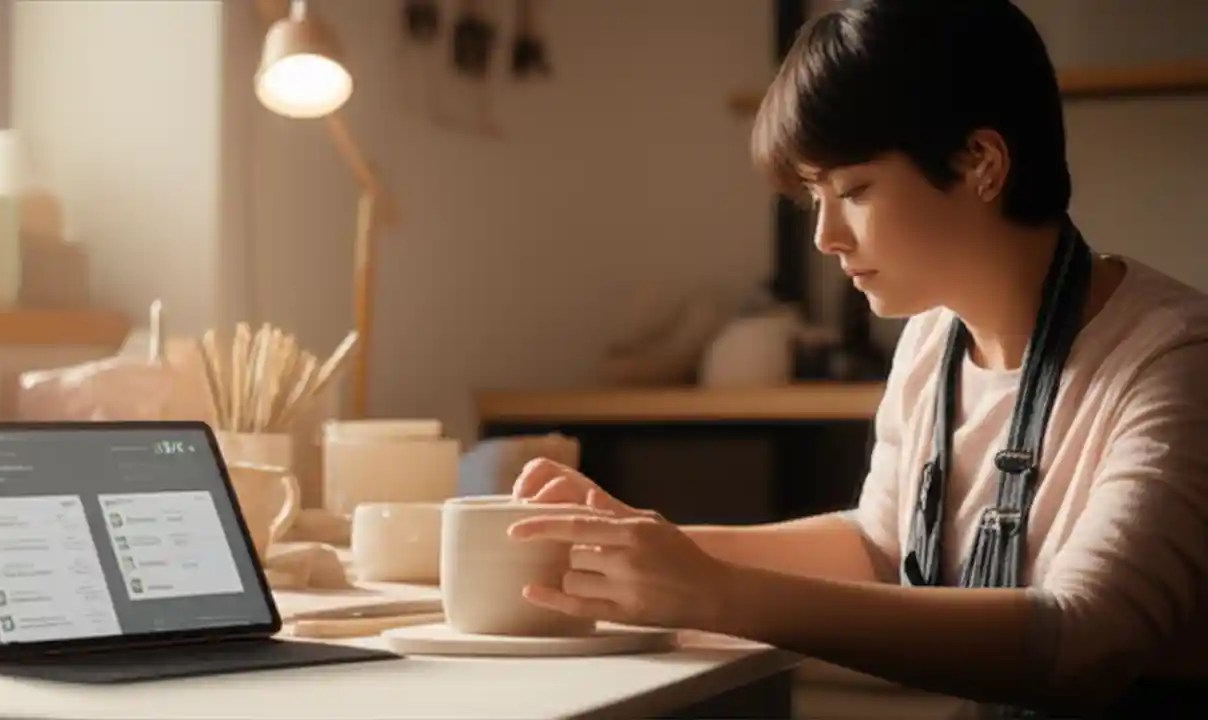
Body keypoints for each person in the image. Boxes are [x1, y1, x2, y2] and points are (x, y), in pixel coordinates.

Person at [507, 0, 1208, 716]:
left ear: (982, 164)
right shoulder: (936, 336)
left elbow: (1081, 642)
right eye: (814, 196)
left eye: (853, 191)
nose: (825, 236)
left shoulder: (1176, 357)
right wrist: (643, 544)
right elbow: (881, 545)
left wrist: (714, 593)